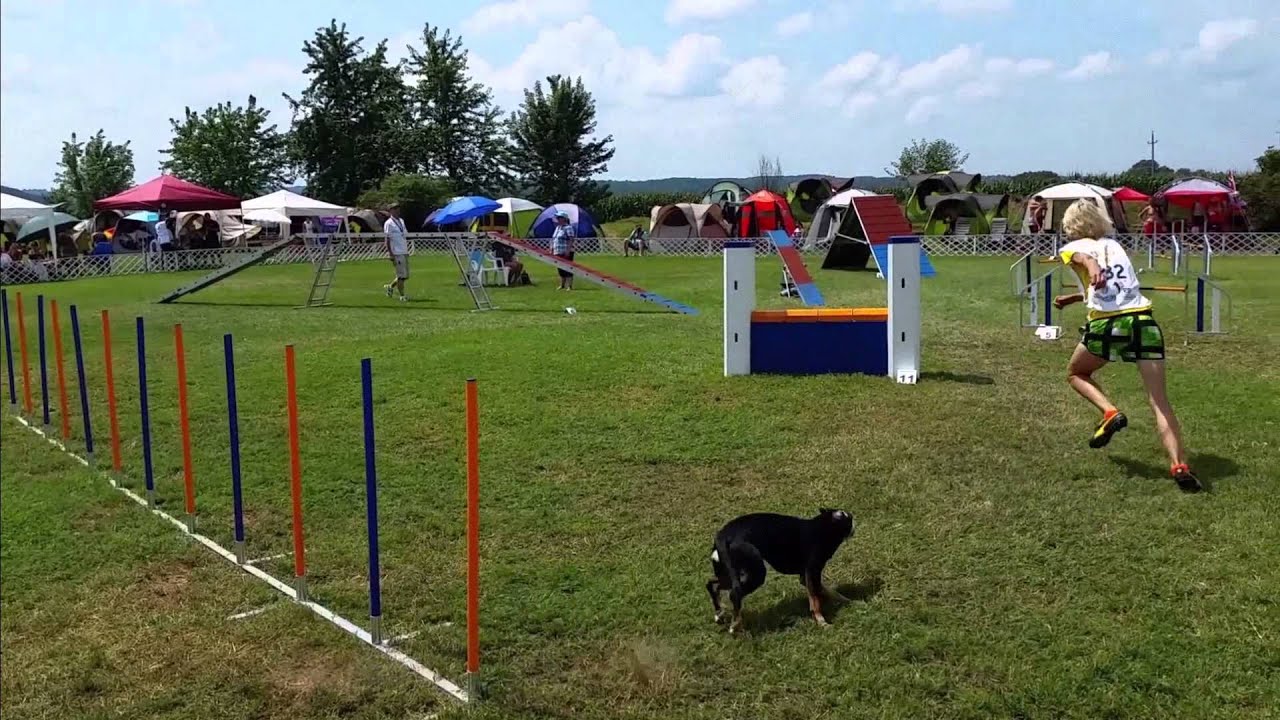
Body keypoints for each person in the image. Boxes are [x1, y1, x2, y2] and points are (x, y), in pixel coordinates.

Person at [1051, 199, 1201, 492]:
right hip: (1144, 322)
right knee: (1160, 401)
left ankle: (1109, 412)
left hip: (1109, 324)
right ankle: (1179, 465)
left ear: (1071, 225)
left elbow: (1083, 258)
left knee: (1076, 374)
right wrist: (1072, 298)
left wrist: (1089, 262)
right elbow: (1111, 287)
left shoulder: (1070, 249)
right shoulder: (1115, 246)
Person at [382, 204, 410, 301]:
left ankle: (390, 287)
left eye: (399, 209)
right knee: (401, 275)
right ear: (391, 211)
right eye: (395, 210)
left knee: (405, 276)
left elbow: (404, 234)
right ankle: (402, 295)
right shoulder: (388, 223)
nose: (398, 211)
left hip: (404, 250)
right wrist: (390, 253)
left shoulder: (401, 221)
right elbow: (387, 239)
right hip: (396, 252)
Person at [550, 209, 576, 290]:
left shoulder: (568, 227)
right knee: (560, 268)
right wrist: (551, 248)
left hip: (566, 251)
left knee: (568, 268)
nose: (558, 219)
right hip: (557, 251)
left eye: (559, 217)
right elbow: (554, 239)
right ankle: (562, 285)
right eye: (557, 218)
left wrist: (568, 250)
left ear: (564, 218)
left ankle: (569, 286)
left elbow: (571, 239)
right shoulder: (557, 228)